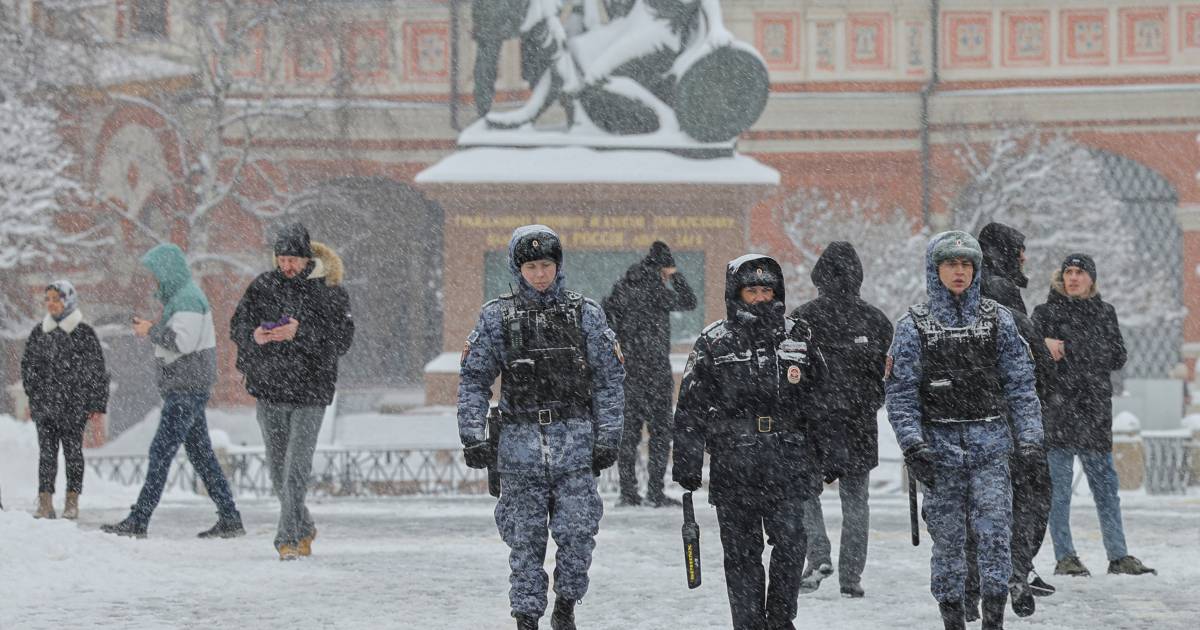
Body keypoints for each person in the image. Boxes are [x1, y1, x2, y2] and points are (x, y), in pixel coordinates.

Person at [457, 225, 625, 630]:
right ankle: (526, 616)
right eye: (531, 266)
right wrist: (472, 435)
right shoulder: (497, 316)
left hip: (574, 442)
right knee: (524, 541)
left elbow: (609, 379)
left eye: (546, 265)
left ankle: (566, 603)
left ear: (558, 266)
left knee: (578, 534)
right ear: (519, 269)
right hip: (519, 447)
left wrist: (608, 436)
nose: (539, 274)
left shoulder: (584, 313)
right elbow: (474, 379)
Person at [885, 231, 1043, 630]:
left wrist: (1030, 442)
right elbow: (901, 393)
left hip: (990, 445)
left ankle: (993, 619)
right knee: (949, 544)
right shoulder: (914, 326)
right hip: (939, 451)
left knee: (994, 536)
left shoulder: (998, 320)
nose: (959, 272)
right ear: (935, 269)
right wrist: (913, 446)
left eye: (966, 265)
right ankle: (953, 617)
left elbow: (1022, 386)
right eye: (951, 264)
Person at [673, 254, 829, 630]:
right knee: (742, 556)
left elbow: (821, 399)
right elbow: (691, 408)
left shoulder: (799, 336)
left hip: (788, 461)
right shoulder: (714, 341)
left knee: (792, 546)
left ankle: (780, 618)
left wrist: (827, 452)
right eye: (751, 290)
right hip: (734, 464)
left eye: (766, 290)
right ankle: (748, 623)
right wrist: (688, 462)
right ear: (736, 293)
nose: (759, 297)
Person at [101, 244, 244, 539]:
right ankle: (230, 518)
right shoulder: (182, 297)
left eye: (156, 273)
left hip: (186, 389)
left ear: (168, 270)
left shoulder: (188, 299)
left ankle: (139, 520)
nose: (154, 279)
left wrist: (151, 330)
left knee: (161, 451)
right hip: (187, 386)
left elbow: (183, 343)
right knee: (202, 455)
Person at [230, 224, 354, 560]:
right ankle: (304, 526)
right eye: (281, 259)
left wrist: (300, 332)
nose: (286, 266)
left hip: (311, 391)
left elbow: (341, 339)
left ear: (307, 259)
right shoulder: (262, 287)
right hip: (269, 389)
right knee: (276, 469)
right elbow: (237, 325)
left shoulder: (329, 291)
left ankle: (286, 540)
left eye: (293, 260)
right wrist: (255, 335)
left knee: (296, 468)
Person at [1032, 253, 1156, 578]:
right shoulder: (1044, 314)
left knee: (1106, 491)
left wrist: (1069, 347)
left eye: (1080, 273)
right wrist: (1045, 344)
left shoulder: (1105, 312)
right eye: (1068, 272)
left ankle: (1118, 555)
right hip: (1057, 415)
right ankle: (1065, 557)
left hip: (1094, 415)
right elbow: (1030, 354)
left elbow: (1117, 356)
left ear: (1091, 279)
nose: (1073, 278)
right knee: (1057, 494)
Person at [790, 242, 892, 599]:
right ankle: (851, 576)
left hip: (814, 422)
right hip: (859, 423)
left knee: (804, 493)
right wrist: (868, 402)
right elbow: (889, 374)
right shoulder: (876, 320)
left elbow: (791, 374)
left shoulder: (803, 319)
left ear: (819, 275)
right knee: (856, 501)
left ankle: (817, 554)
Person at [965, 222, 1056, 619]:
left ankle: (973, 584)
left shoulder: (960, 294)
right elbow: (1036, 366)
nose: (1025, 257)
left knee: (975, 504)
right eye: (1020, 249)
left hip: (968, 419)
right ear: (1004, 252)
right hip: (1008, 421)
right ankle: (1014, 569)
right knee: (1029, 495)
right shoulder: (1003, 295)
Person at [602, 240, 697, 507]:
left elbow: (605, 317)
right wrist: (675, 276)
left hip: (628, 372)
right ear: (663, 267)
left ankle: (628, 493)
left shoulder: (624, 286)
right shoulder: (657, 290)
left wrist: (618, 349)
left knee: (628, 436)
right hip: (655, 371)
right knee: (660, 434)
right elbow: (690, 301)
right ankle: (655, 492)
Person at [21, 280, 109, 520]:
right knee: (46, 454)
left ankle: (72, 501)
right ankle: (45, 501)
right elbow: (28, 368)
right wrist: (35, 395)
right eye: (48, 299)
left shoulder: (84, 333)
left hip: (74, 407)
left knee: (73, 453)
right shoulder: (39, 333)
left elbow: (97, 371)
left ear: (68, 300)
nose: (51, 304)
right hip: (46, 407)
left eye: (56, 299)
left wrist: (96, 403)